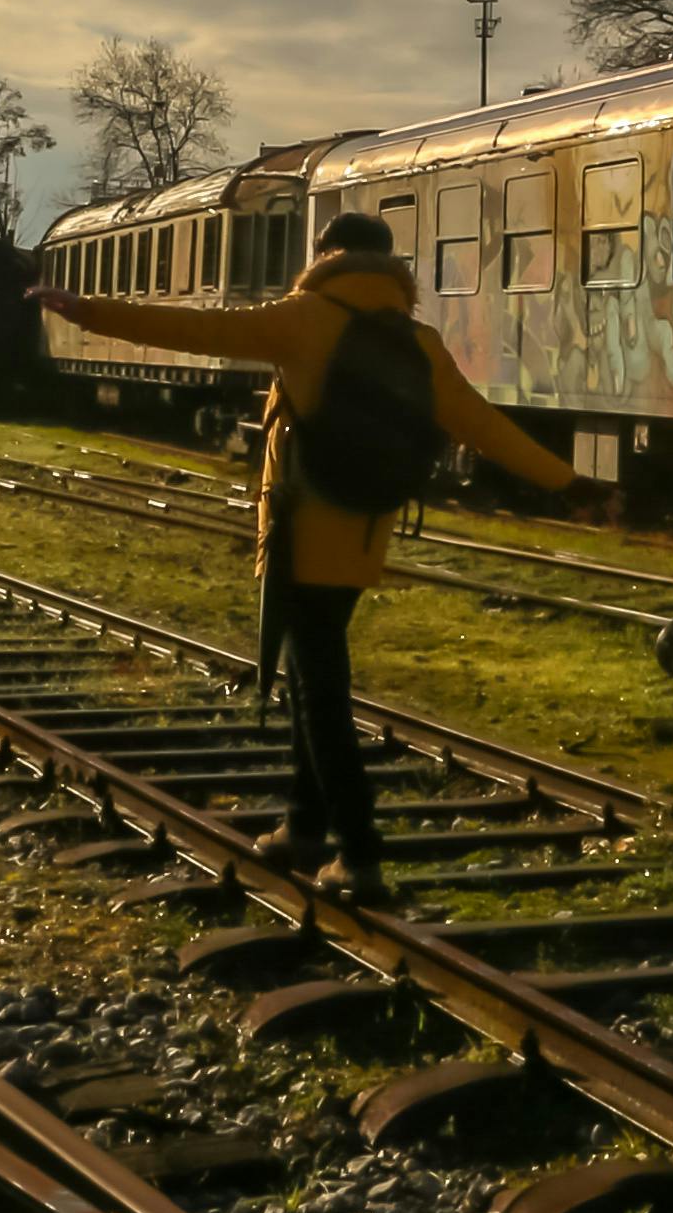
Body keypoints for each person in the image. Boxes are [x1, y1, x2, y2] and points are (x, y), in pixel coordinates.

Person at [31, 209, 576, 902]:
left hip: (299, 532)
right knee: (309, 677)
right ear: (388, 264)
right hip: (362, 535)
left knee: (320, 695)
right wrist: (570, 482)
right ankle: (303, 829)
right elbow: (486, 427)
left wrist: (85, 310)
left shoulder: (304, 317)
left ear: (327, 255)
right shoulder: (419, 340)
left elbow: (198, 331)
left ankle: (359, 851)